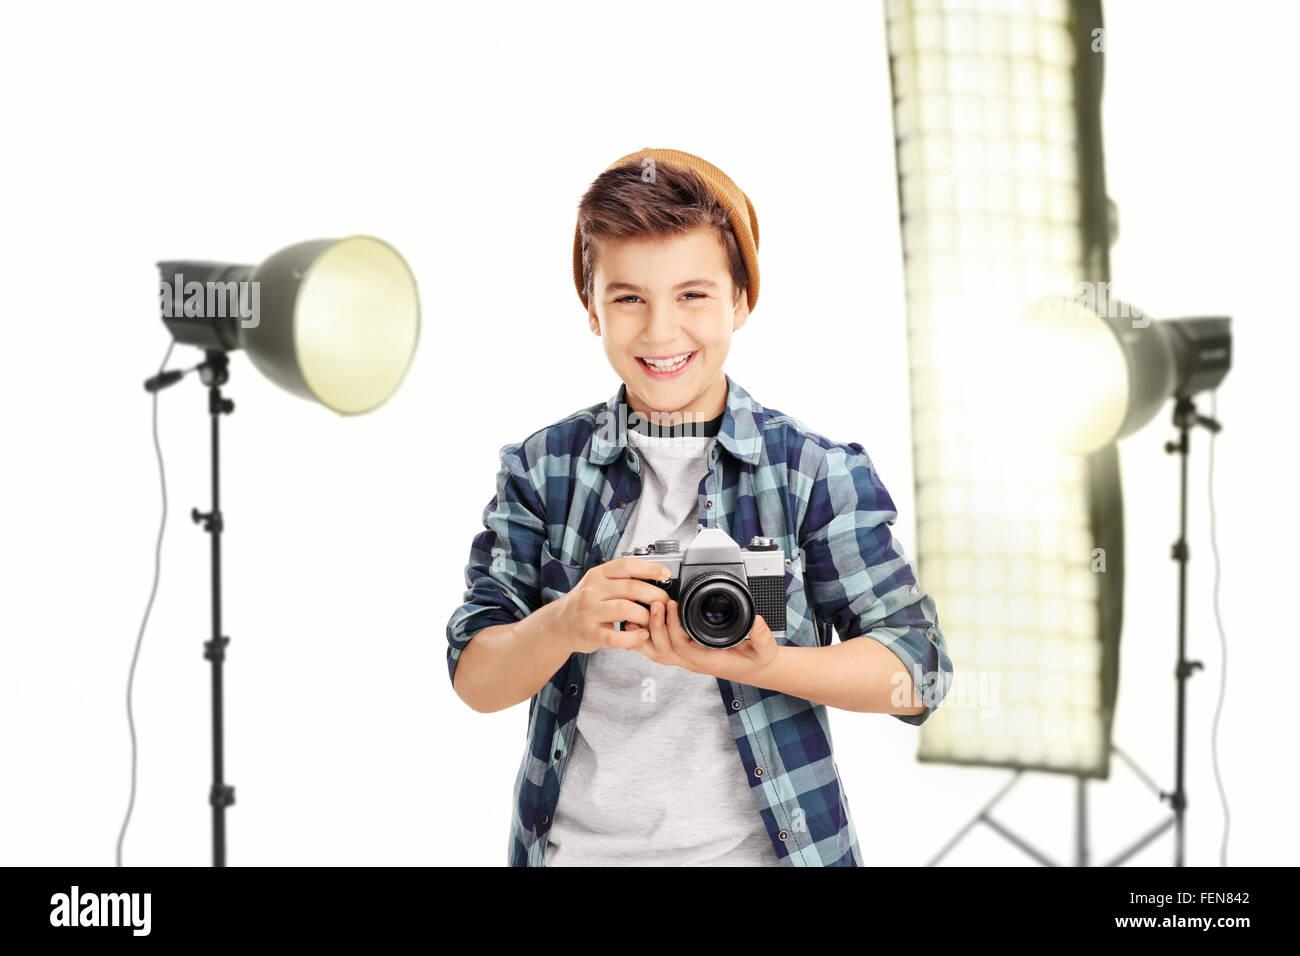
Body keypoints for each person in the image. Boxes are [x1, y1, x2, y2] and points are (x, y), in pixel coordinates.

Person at [445, 147, 954, 866]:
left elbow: (919, 672)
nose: (659, 332)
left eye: (692, 295)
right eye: (628, 297)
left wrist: (767, 663)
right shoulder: (541, 470)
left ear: (741, 300)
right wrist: (565, 621)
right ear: (591, 307)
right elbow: (474, 676)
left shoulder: (811, 472)